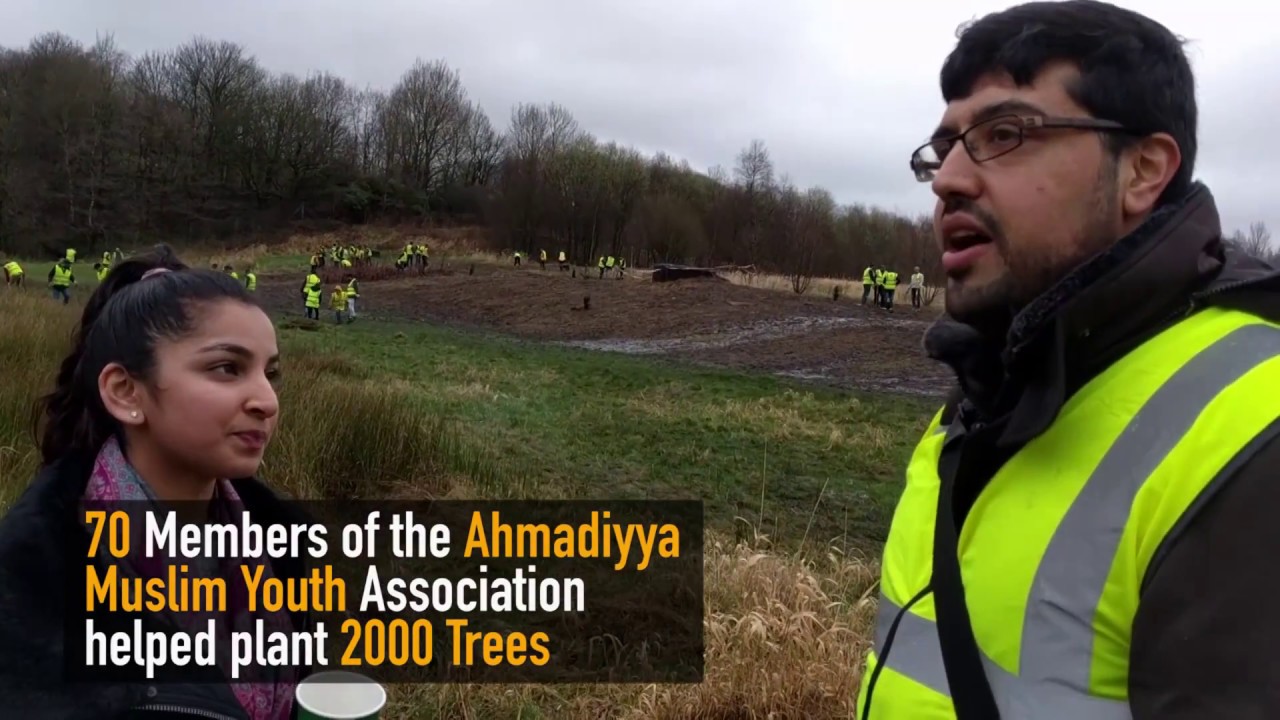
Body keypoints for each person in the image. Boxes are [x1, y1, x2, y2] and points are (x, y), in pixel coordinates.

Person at [858, 2, 1280, 719]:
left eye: (1005, 133)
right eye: (945, 148)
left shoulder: (1254, 437)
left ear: (1143, 170)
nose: (948, 180)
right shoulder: (977, 399)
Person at [0, 246, 310, 718]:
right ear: (125, 393)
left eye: (271, 374)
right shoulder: (33, 578)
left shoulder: (282, 544)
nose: (267, 401)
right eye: (227, 367)